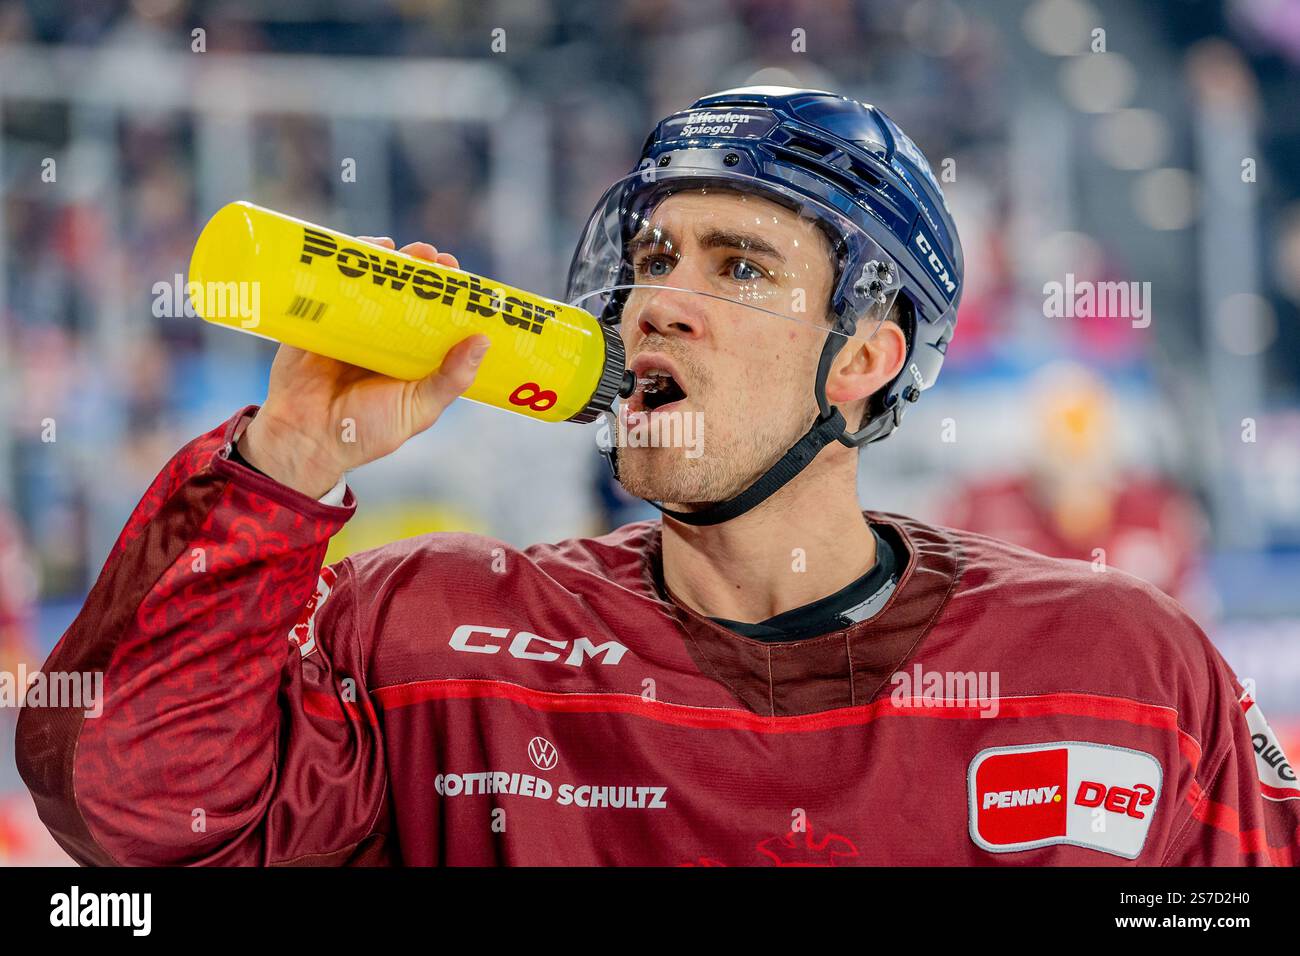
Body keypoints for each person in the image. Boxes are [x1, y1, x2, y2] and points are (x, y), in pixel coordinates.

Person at [17, 88, 1299, 866]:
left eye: (736, 267)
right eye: (652, 256)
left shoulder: (1125, 669)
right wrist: (283, 462)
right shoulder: (438, 637)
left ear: (863, 355)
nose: (655, 304)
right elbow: (136, 816)